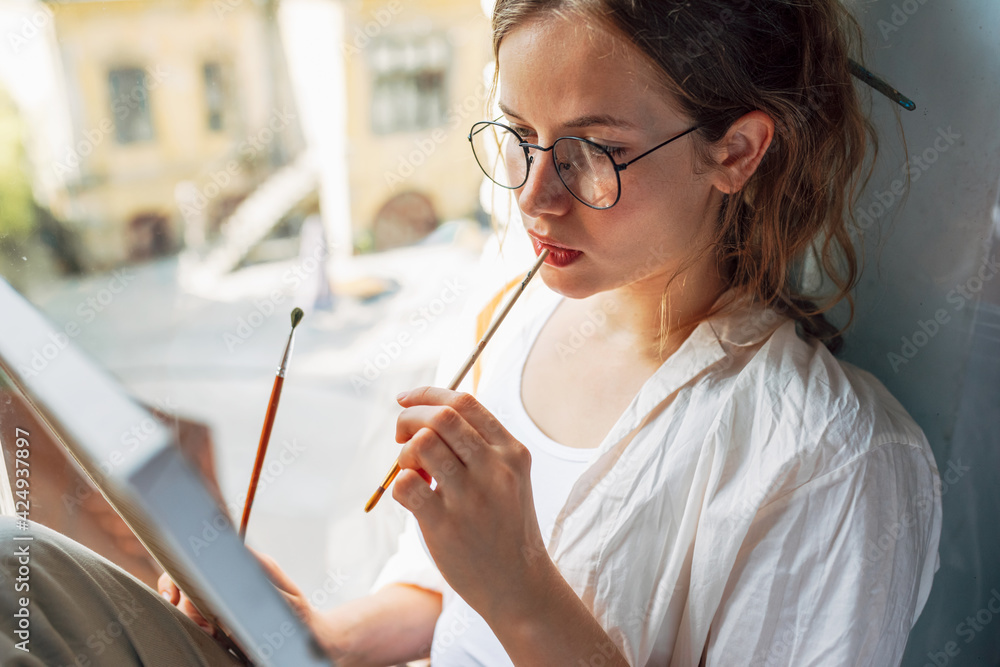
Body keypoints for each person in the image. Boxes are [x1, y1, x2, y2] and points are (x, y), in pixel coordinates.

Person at [0, 0, 942, 665]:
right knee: (20, 573)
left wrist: (522, 586)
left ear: (734, 151)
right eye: (519, 136)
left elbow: (495, 595)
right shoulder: (519, 308)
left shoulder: (833, 463)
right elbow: (440, 601)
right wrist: (320, 636)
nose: (534, 195)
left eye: (593, 153)